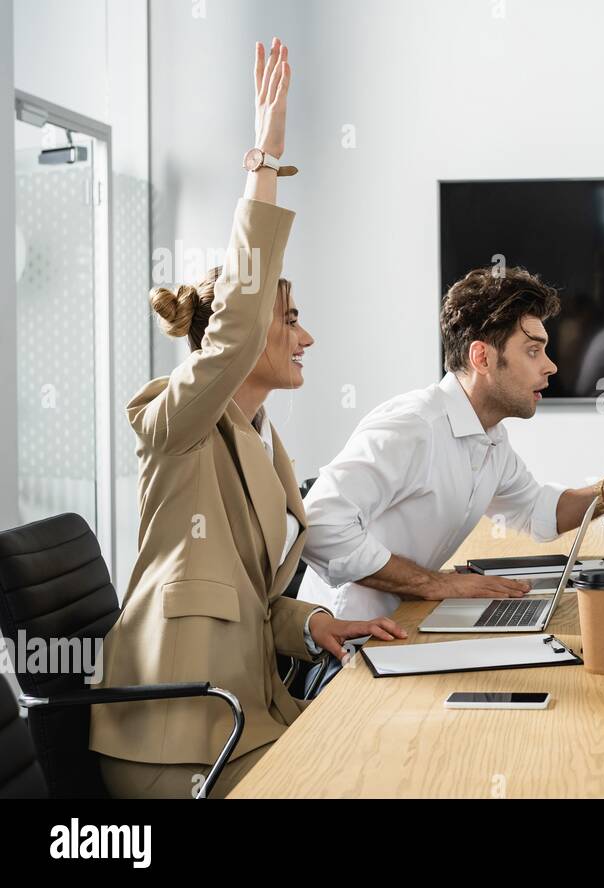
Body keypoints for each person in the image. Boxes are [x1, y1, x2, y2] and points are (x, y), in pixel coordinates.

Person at [91, 40, 404, 799]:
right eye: (287, 318)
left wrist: (313, 625)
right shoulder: (175, 422)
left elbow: (258, 602)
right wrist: (263, 158)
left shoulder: (264, 442)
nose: (306, 336)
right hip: (181, 741)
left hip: (246, 717)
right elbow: (232, 329)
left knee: (398, 758)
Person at [297, 266, 604, 622]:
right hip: (348, 641)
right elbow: (319, 524)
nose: (551, 366)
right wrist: (436, 583)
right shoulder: (411, 426)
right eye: (533, 351)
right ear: (481, 356)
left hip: (408, 622)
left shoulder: (490, 436)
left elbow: (536, 510)